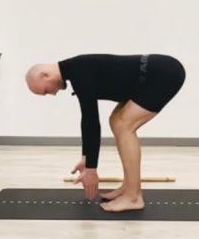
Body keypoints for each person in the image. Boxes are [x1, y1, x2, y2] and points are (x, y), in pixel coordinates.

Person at [25, 54, 185, 212]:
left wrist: (91, 169)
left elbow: (91, 121)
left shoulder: (79, 72)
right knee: (116, 121)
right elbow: (88, 120)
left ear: (44, 75)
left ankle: (133, 197)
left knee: (124, 125)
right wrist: (86, 159)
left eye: (45, 91)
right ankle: (129, 187)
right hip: (157, 74)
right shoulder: (76, 71)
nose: (52, 93)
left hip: (163, 74)